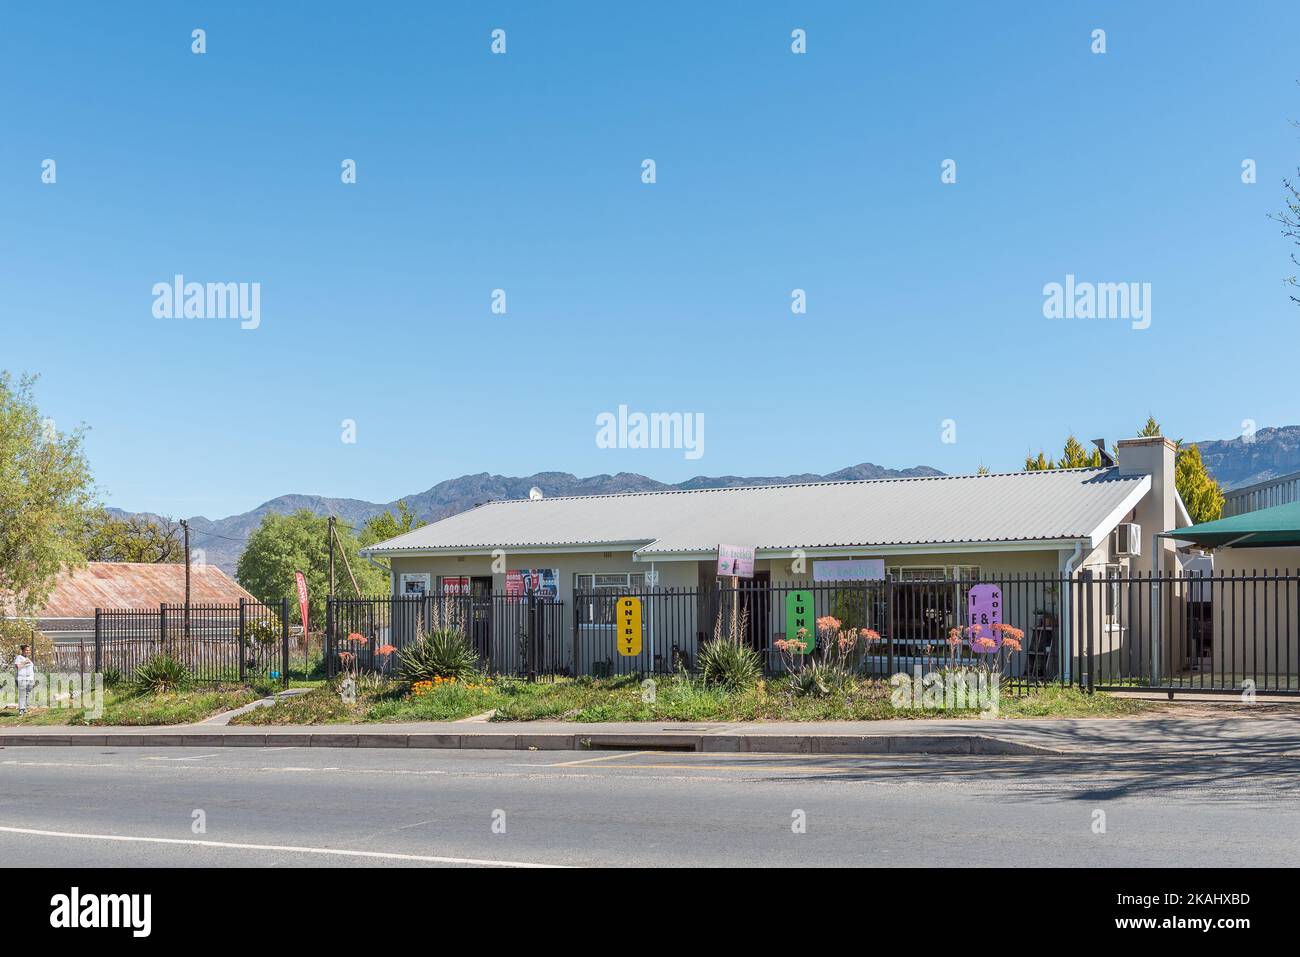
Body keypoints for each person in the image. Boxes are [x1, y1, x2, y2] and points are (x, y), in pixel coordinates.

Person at [14, 644, 35, 715]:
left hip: (29, 679)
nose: (28, 651)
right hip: (22, 679)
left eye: (29, 650)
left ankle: (24, 708)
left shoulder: (28, 658)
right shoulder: (19, 657)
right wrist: (24, 662)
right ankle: (21, 710)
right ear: (22, 650)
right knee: (22, 694)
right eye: (26, 650)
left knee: (27, 694)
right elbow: (18, 666)